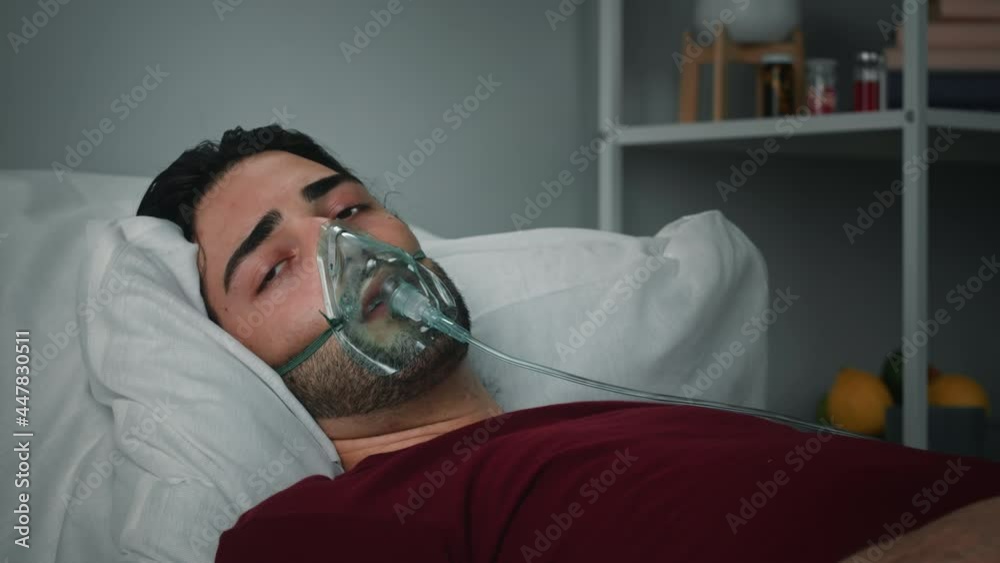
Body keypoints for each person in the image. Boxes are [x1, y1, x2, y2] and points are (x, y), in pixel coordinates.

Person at [137, 126, 1000, 562]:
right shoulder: (314, 529)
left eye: (350, 209)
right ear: (240, 355)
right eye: (273, 267)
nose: (344, 252)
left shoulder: (608, 422)